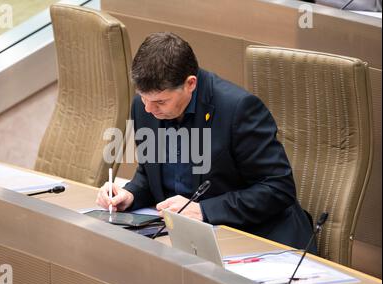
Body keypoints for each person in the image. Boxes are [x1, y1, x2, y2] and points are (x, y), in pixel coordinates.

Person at [96, 32, 315, 252]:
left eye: (160, 101)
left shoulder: (238, 109)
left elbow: (278, 188)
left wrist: (204, 211)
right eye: (144, 98)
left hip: (257, 237)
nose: (149, 109)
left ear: (190, 84)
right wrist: (130, 193)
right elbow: (151, 173)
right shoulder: (143, 108)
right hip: (189, 239)